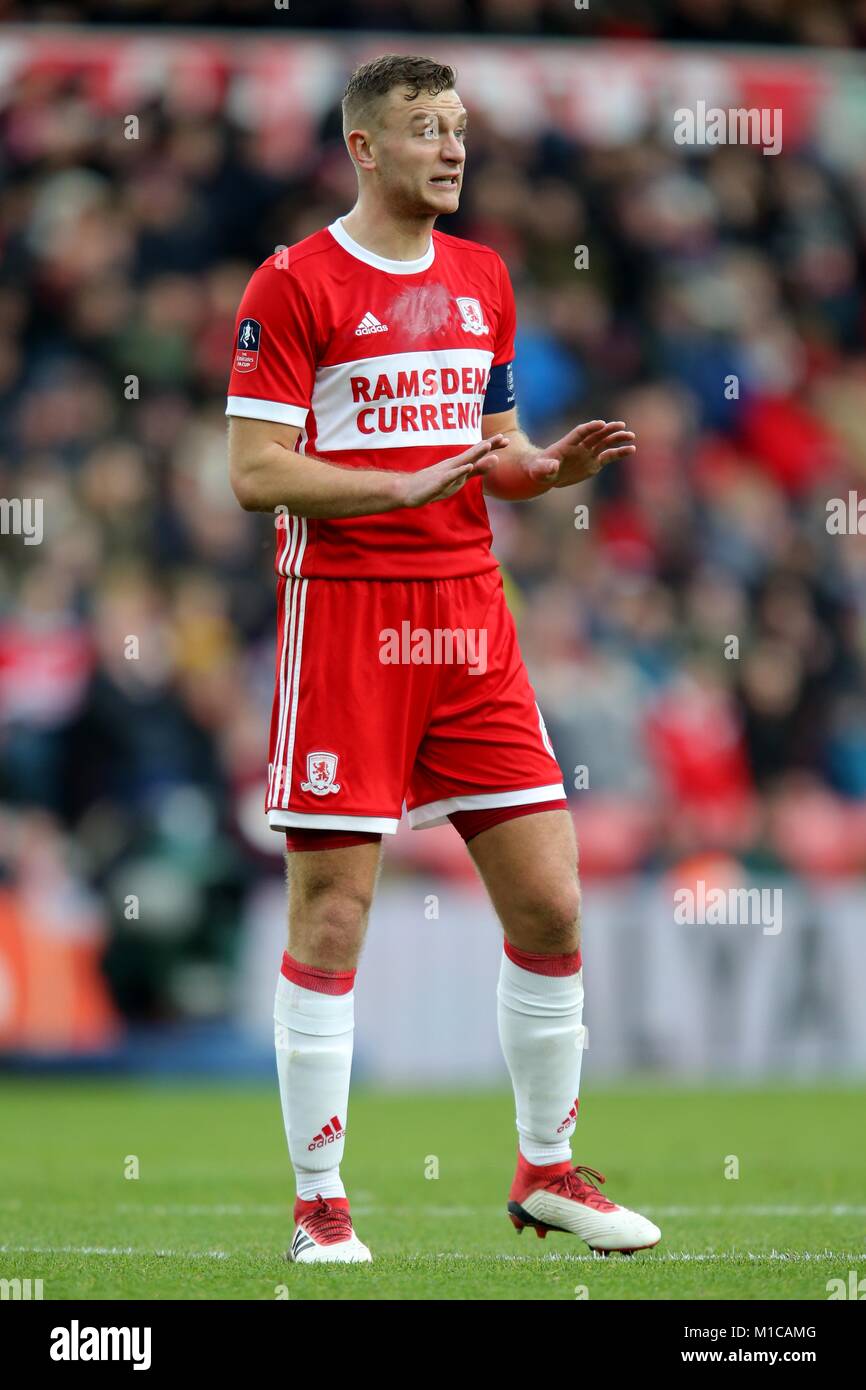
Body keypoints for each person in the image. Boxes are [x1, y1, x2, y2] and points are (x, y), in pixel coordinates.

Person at [226, 53, 660, 1264]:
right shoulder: (294, 281)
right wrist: (388, 483)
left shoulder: (482, 277)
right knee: (333, 912)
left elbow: (493, 449)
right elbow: (253, 472)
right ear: (364, 147)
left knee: (548, 897)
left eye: (458, 128)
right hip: (348, 618)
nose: (452, 148)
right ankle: (320, 1202)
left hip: (470, 615)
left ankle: (547, 1170)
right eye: (426, 129)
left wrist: (543, 469)